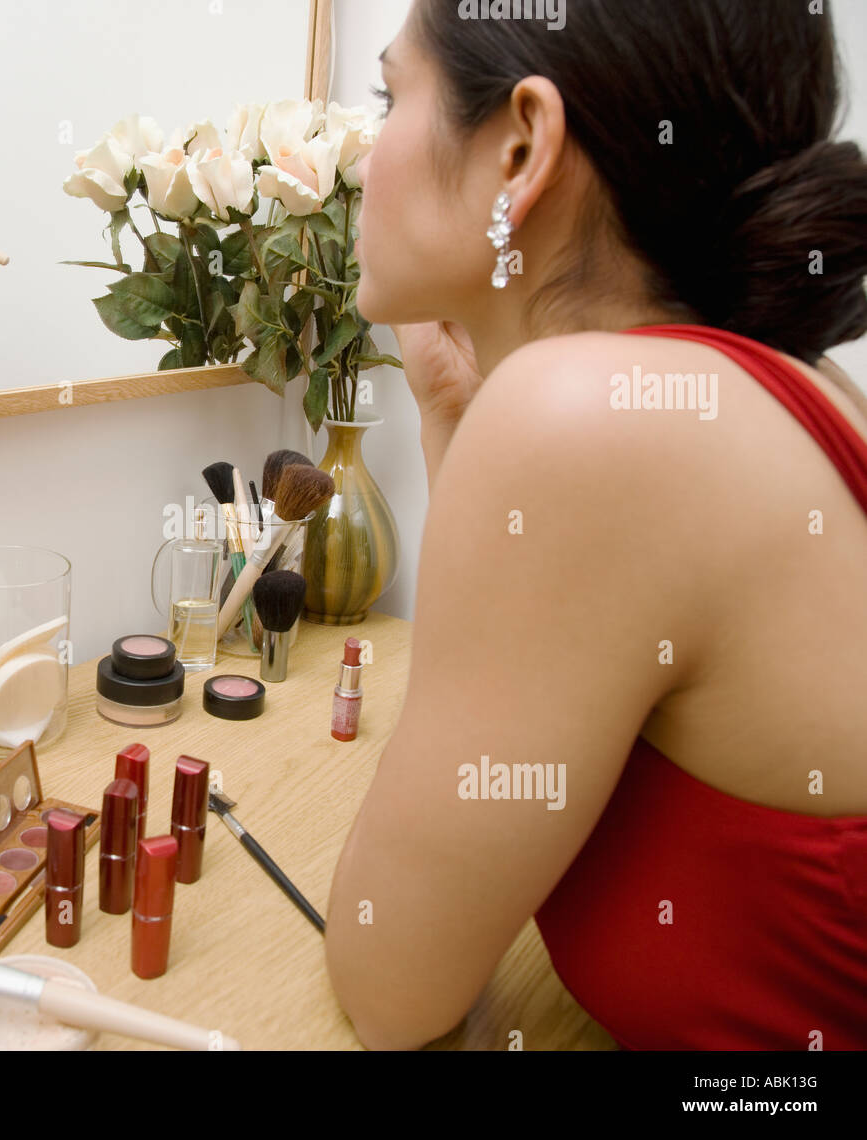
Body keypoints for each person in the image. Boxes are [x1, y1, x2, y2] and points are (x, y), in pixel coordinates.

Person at [326, 0, 867, 1050]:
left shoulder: (591, 422)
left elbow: (390, 988)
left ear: (520, 147)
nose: (358, 159)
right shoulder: (800, 386)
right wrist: (449, 410)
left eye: (389, 97)